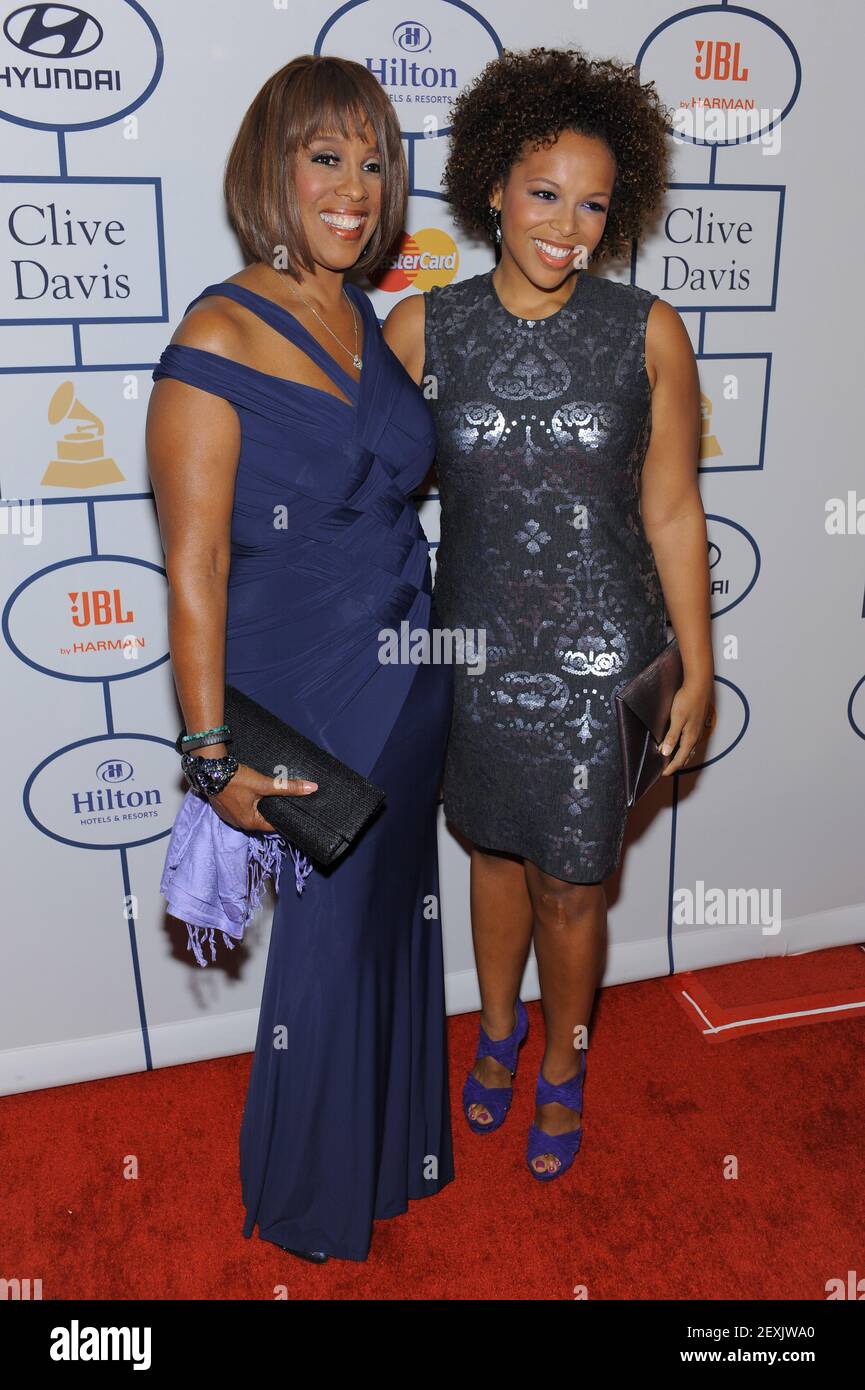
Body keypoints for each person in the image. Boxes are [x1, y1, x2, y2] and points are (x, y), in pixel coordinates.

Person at [384, 47, 713, 1181]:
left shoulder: (646, 330)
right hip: (474, 651)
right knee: (489, 856)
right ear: (490, 187)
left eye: (592, 204)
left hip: (605, 655)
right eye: (543, 193)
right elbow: (363, 505)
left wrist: (699, 668)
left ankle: (563, 1065)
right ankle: (496, 1035)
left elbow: (672, 512)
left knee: (572, 883)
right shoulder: (426, 333)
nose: (567, 225)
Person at [147, 54, 454, 1261]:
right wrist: (210, 748)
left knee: (391, 918)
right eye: (327, 157)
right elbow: (195, 568)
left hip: (411, 669)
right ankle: (311, 1199)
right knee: (329, 939)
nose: (356, 188)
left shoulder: (365, 315)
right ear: (270, 168)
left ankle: (391, 1153)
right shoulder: (214, 335)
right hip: (312, 684)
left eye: (375, 163)